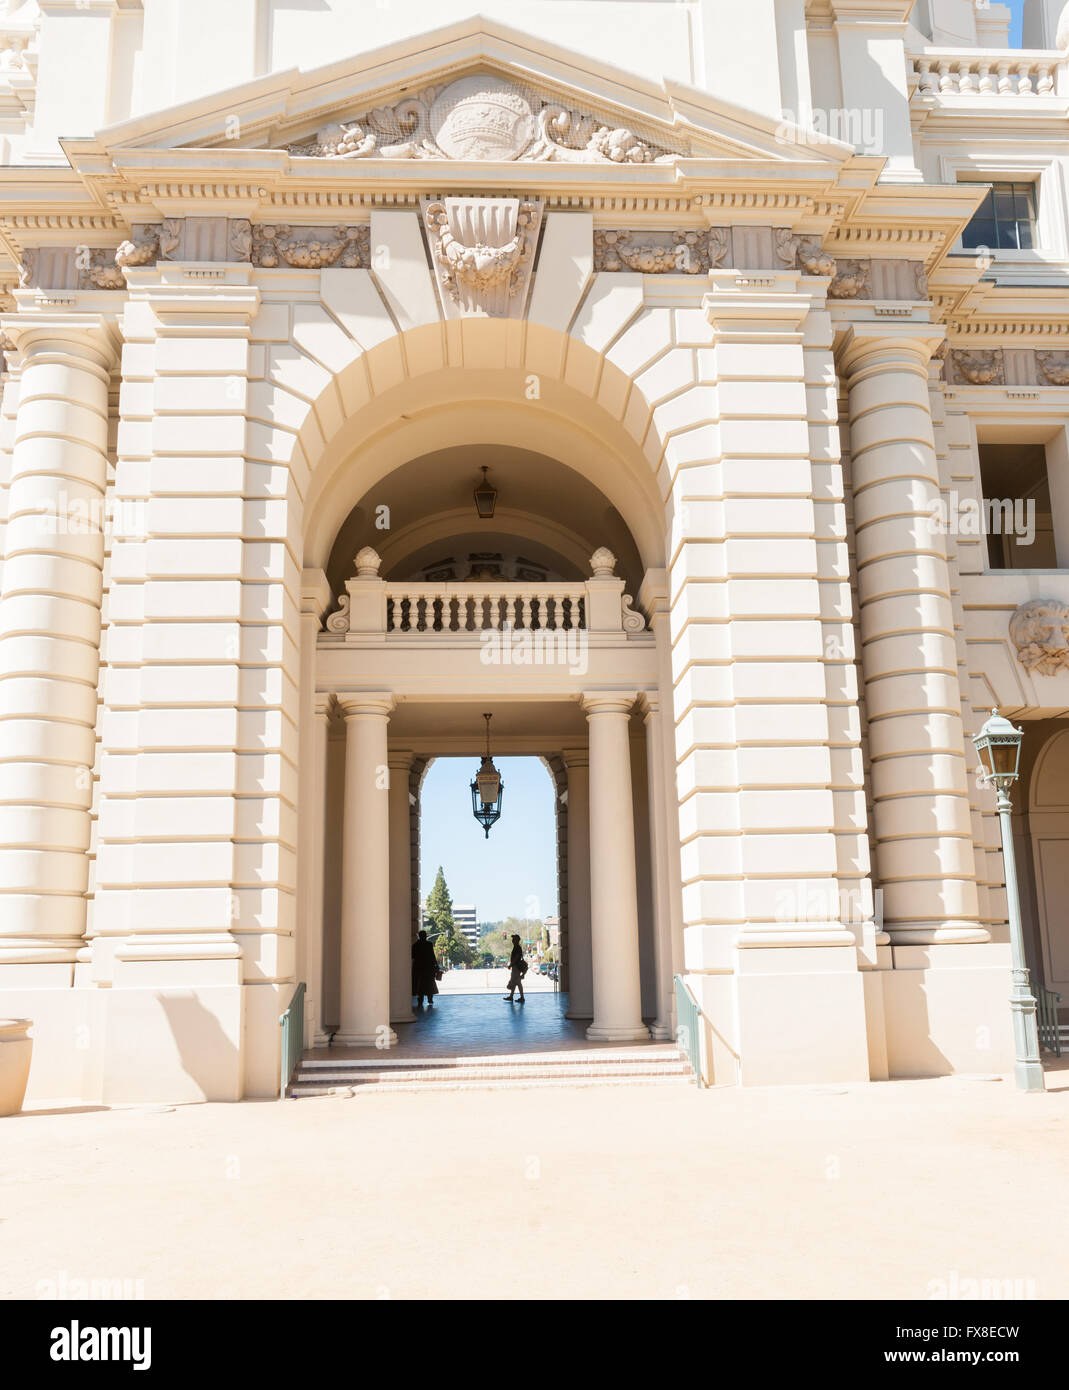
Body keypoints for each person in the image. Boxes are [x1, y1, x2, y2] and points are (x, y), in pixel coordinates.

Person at [412, 930, 439, 1008]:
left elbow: (412, 956)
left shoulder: (415, 945)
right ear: (425, 936)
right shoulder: (429, 944)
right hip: (428, 967)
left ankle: (420, 1000)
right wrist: (436, 965)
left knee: (420, 984)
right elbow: (432, 955)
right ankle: (430, 999)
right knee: (430, 983)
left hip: (419, 967)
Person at [503, 934, 527, 1003]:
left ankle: (521, 997)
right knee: (516, 982)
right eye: (512, 939)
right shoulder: (516, 947)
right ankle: (512, 996)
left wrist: (511, 964)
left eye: (514, 939)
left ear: (517, 940)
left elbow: (516, 957)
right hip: (515, 967)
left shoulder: (517, 947)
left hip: (516, 967)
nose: (512, 940)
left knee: (517, 982)